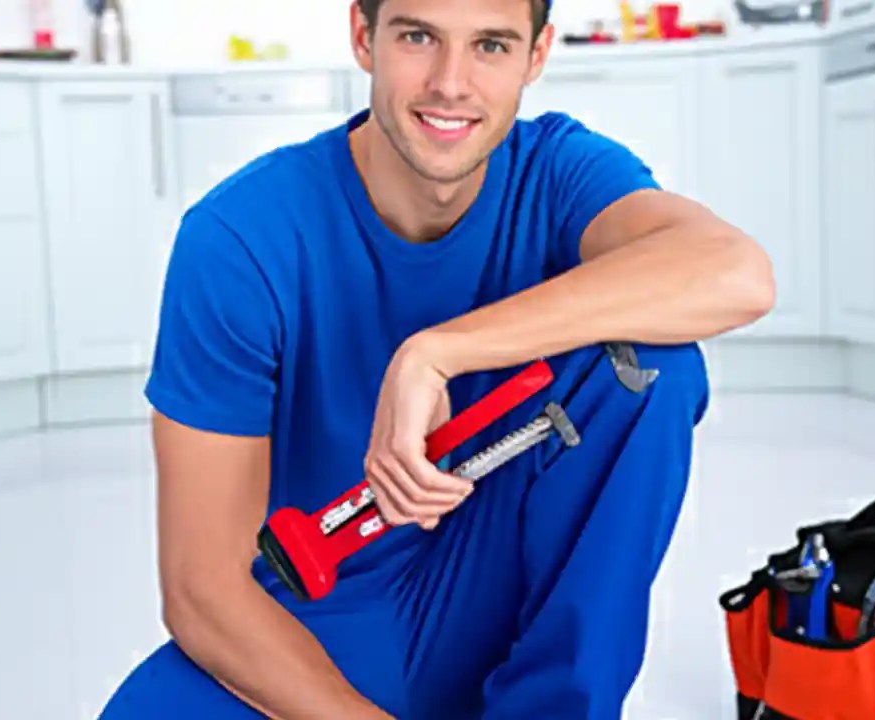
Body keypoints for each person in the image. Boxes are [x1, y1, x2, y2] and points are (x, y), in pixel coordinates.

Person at [96, 0, 774, 717]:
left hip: (503, 595)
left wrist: (436, 353)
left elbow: (735, 272)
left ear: (535, 56)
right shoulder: (239, 239)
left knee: (653, 363)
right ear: (364, 36)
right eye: (419, 36)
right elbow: (203, 588)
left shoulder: (562, 174)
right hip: (323, 611)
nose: (451, 83)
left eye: (490, 45)